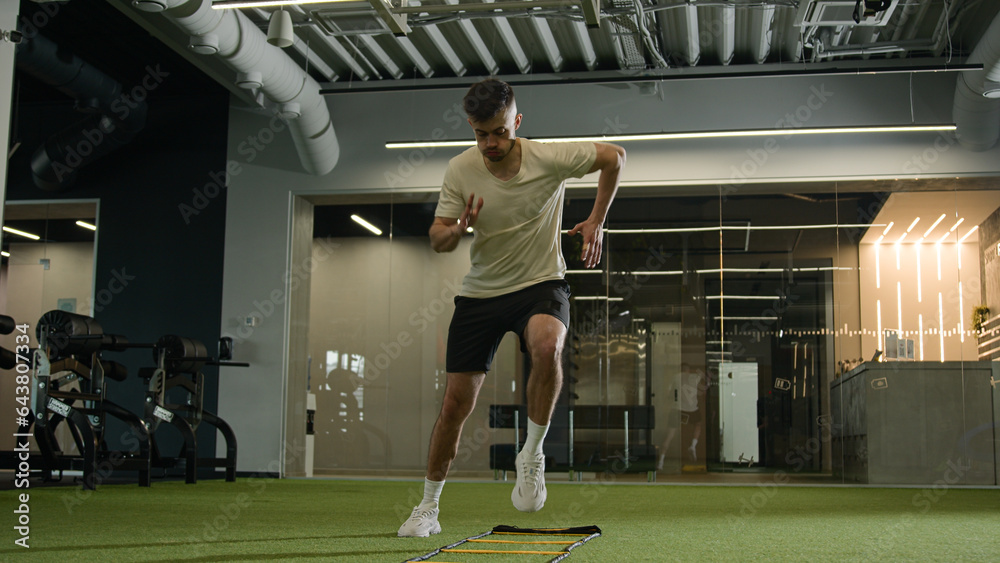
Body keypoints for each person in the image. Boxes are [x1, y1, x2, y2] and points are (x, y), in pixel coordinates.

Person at [397, 78, 626, 537]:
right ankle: (427, 507)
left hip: (540, 282)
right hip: (481, 292)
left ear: (516, 122)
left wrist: (596, 220)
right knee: (455, 404)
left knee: (547, 346)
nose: (491, 143)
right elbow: (438, 239)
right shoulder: (460, 169)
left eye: (500, 132)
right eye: (481, 134)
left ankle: (532, 453)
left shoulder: (548, 157)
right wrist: (456, 229)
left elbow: (614, 156)